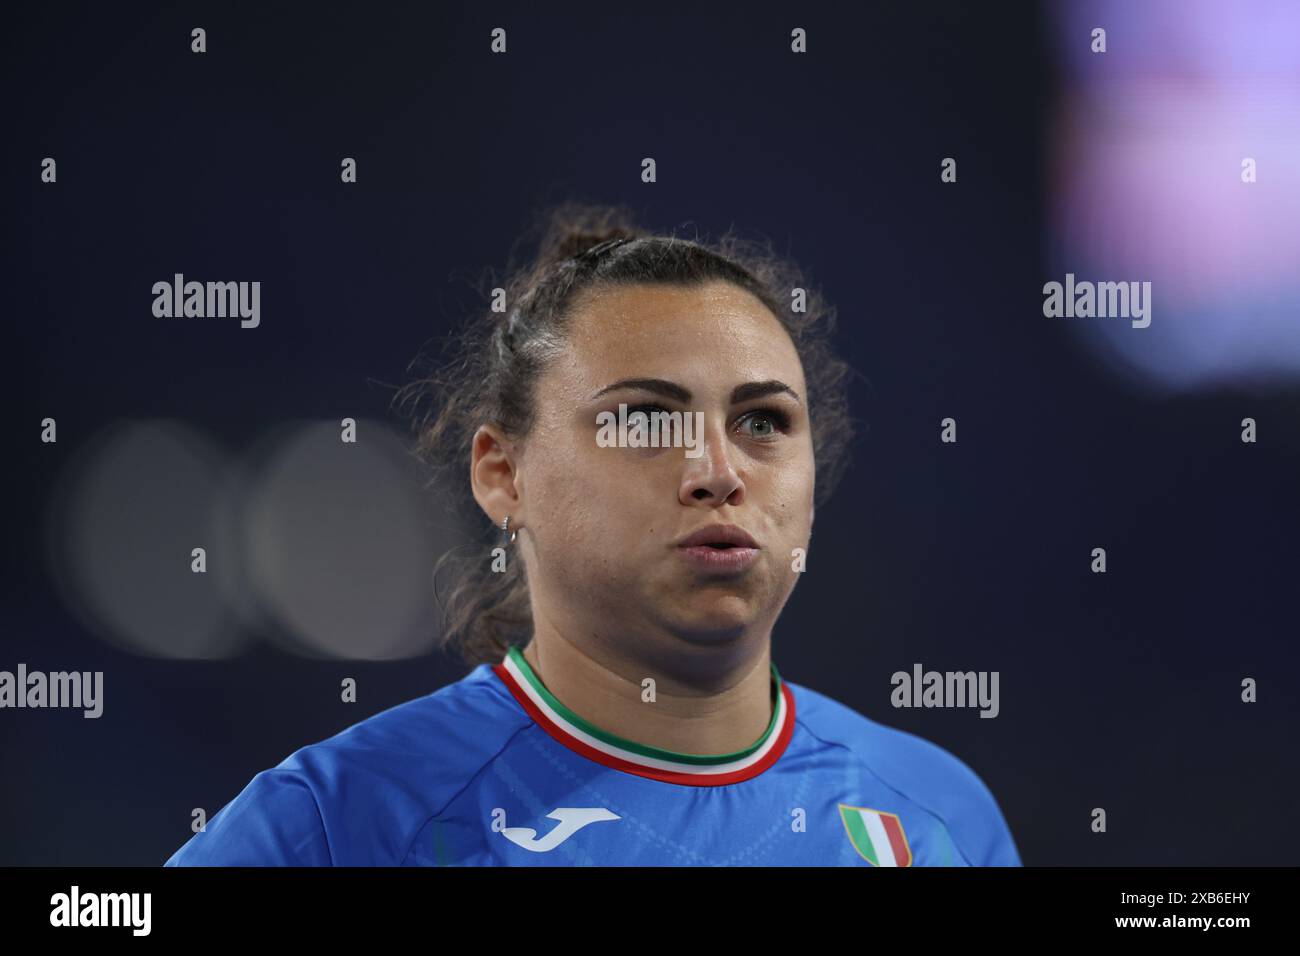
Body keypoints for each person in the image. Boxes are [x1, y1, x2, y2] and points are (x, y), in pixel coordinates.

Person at [165, 201, 1021, 866]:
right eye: (645, 420)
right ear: (504, 474)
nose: (717, 470)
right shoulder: (346, 818)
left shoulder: (935, 816)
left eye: (763, 421)